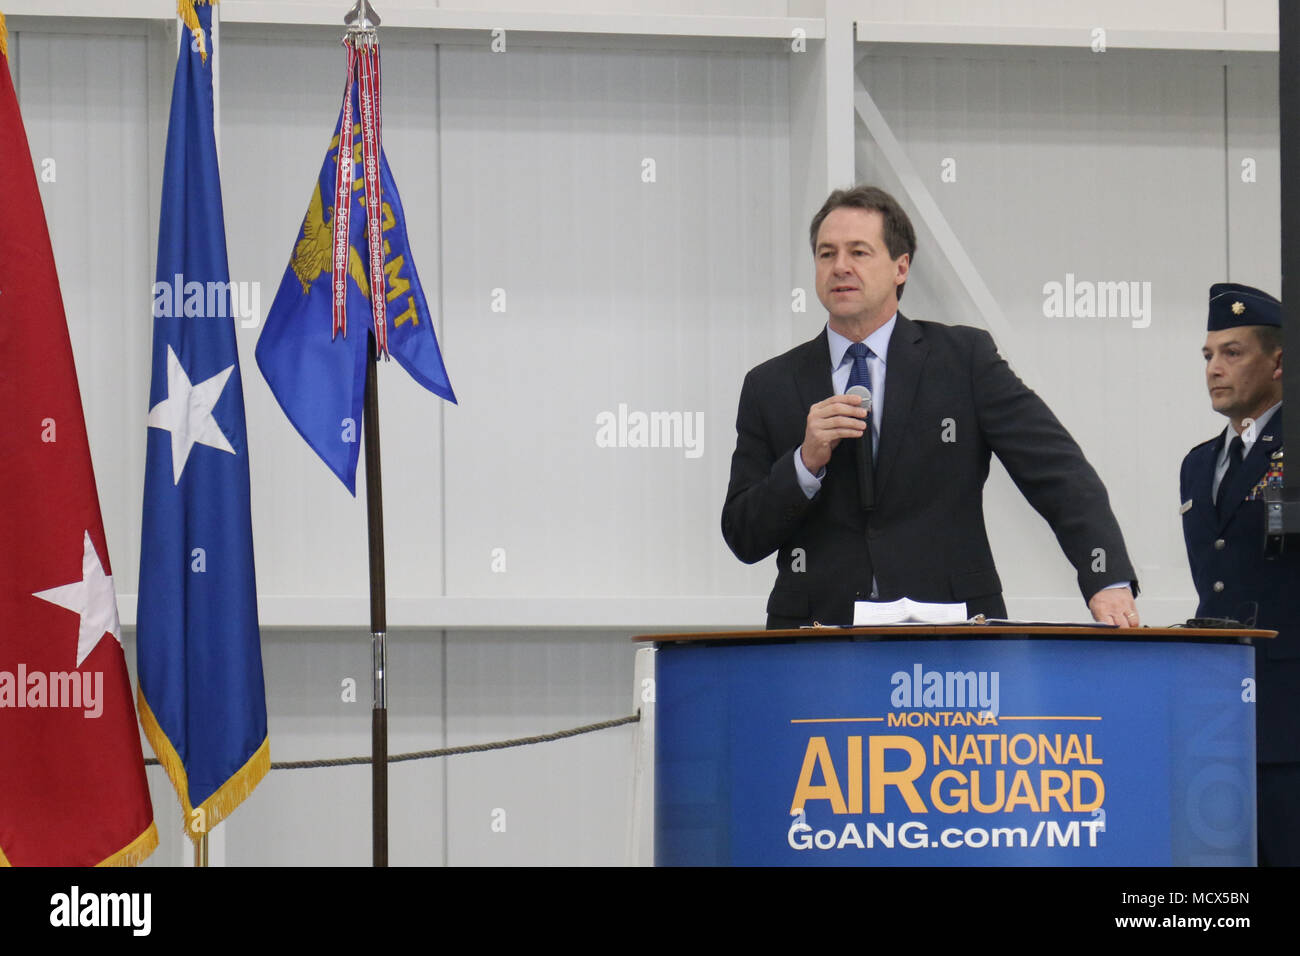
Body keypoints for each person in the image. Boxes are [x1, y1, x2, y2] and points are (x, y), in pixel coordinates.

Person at [721, 184, 1138, 628]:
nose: (840, 266)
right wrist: (804, 465)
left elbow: (1058, 472)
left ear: (901, 267)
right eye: (826, 254)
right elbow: (744, 535)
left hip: (949, 636)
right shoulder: (770, 384)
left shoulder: (964, 360)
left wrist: (1105, 578)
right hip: (815, 639)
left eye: (858, 252)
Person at [1180, 282, 1297, 866]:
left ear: (1278, 361)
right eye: (1208, 356)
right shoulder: (1198, 464)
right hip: (1216, 710)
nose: (1214, 369)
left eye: (1232, 352)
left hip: (1288, 709)